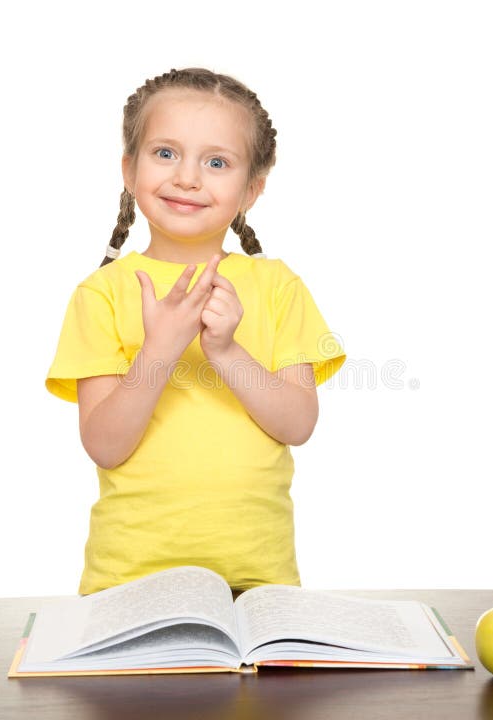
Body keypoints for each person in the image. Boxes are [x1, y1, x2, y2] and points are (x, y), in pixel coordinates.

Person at [45, 67, 347, 596]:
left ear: (251, 189)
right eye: (165, 153)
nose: (187, 178)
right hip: (130, 580)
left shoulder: (278, 287)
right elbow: (105, 445)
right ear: (128, 168)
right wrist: (160, 348)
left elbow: (298, 424)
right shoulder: (101, 294)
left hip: (257, 583)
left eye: (216, 162)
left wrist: (226, 352)